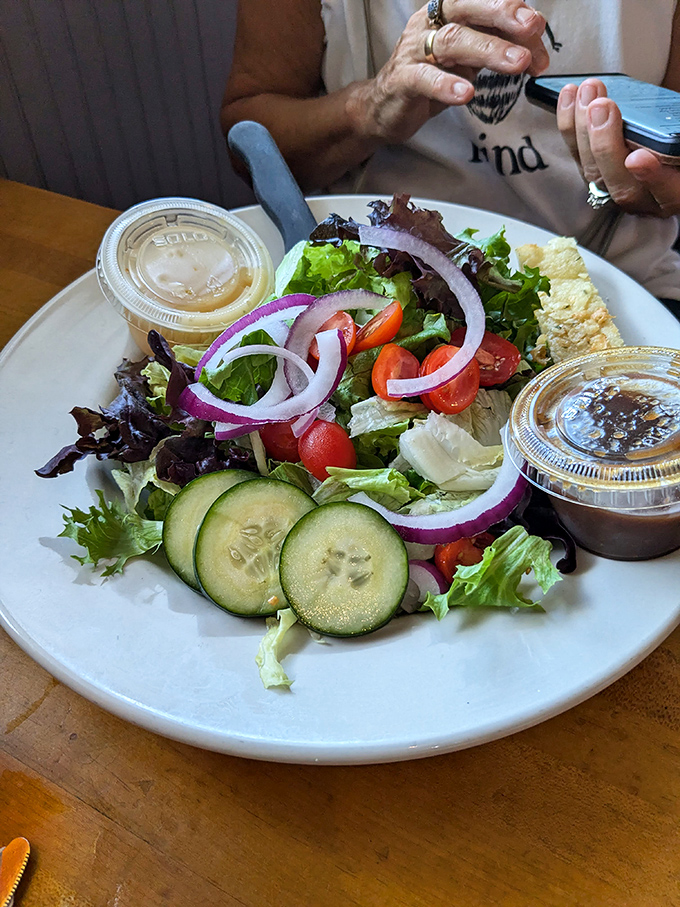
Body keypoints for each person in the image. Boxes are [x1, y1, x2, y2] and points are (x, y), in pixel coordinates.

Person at [221, 0, 680, 305]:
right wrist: (369, 106)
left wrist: (654, 189)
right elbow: (250, 140)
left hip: (625, 287)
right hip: (377, 291)